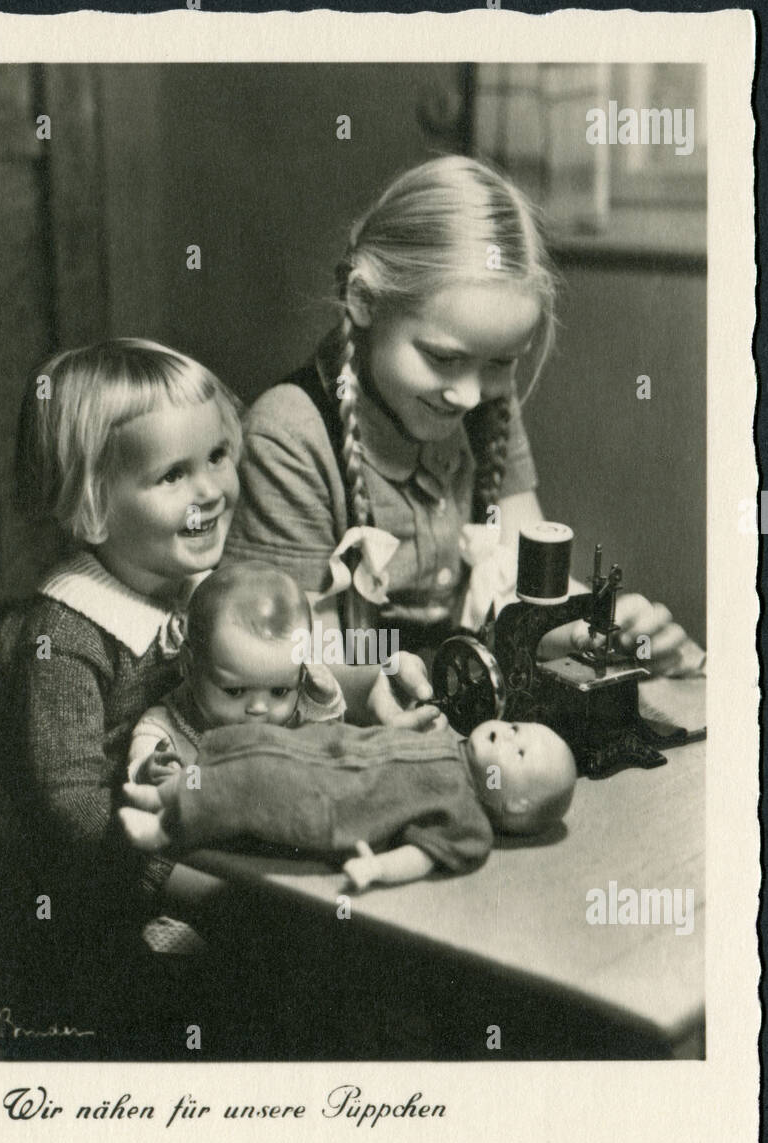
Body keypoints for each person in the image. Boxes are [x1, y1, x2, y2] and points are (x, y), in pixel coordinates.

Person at [224, 154, 699, 683]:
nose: (471, 394)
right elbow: (296, 663)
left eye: (500, 363)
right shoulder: (288, 436)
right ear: (363, 300)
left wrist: (596, 630)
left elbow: (530, 584)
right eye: (443, 358)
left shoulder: (482, 404)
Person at [0, 338, 248, 1011]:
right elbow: (72, 813)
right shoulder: (66, 635)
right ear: (92, 505)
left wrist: (373, 673)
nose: (212, 491)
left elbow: (285, 656)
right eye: (173, 475)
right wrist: (169, 878)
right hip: (101, 900)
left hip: (197, 831)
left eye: (217, 456)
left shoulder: (192, 585)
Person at [119, 717, 578, 889]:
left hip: (332, 801)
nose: (508, 733)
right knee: (251, 743)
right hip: (325, 752)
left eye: (518, 751)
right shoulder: (450, 741)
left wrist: (378, 870)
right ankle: (162, 793)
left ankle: (165, 830)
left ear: (515, 804)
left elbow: (422, 856)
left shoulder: (467, 818)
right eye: (517, 726)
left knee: (252, 783)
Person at [127, 560, 345, 784]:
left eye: (279, 691)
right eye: (235, 691)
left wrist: (323, 699)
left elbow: (326, 741)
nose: (259, 709)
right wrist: (147, 771)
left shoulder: (286, 721)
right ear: (189, 666)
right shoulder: (168, 728)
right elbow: (145, 753)